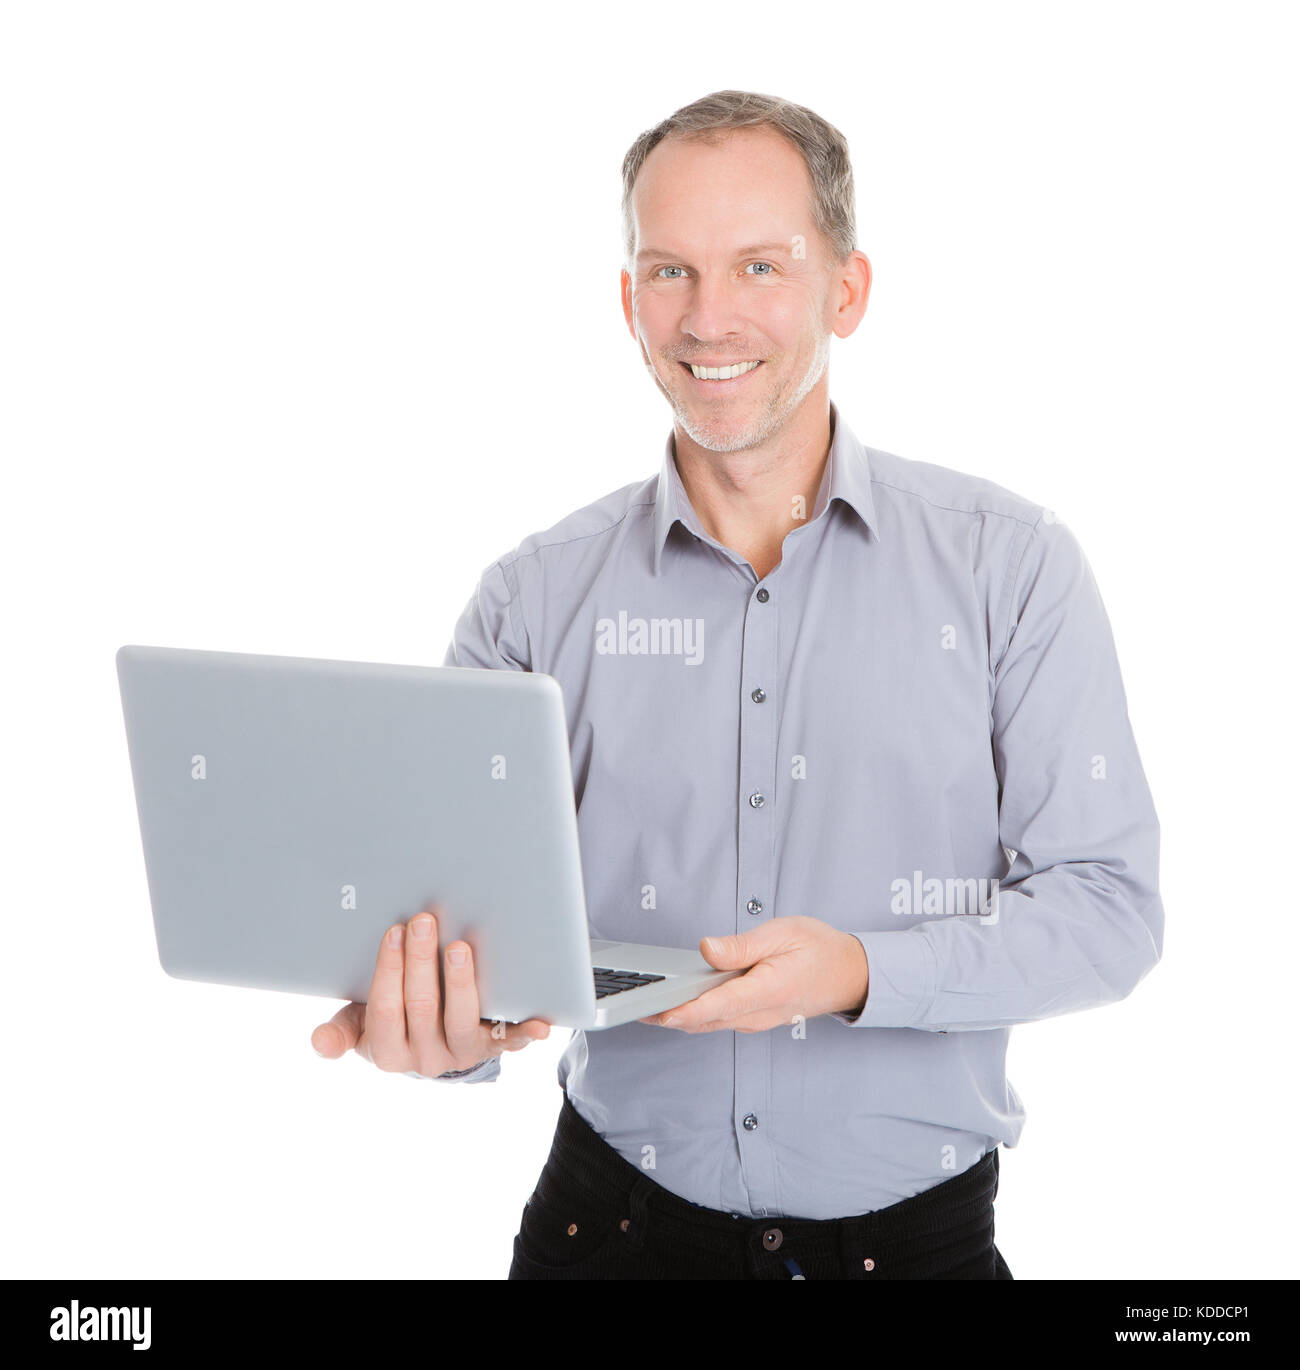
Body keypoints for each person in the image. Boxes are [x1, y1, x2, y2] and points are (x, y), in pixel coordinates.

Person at [311, 89, 1163, 1280]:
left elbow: (1108, 909)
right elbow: (465, 930)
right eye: (670, 270)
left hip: (915, 1252)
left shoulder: (1008, 566)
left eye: (759, 265)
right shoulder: (530, 599)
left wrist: (862, 970)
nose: (707, 318)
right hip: (606, 1234)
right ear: (628, 300)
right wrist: (444, 1028)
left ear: (845, 290)